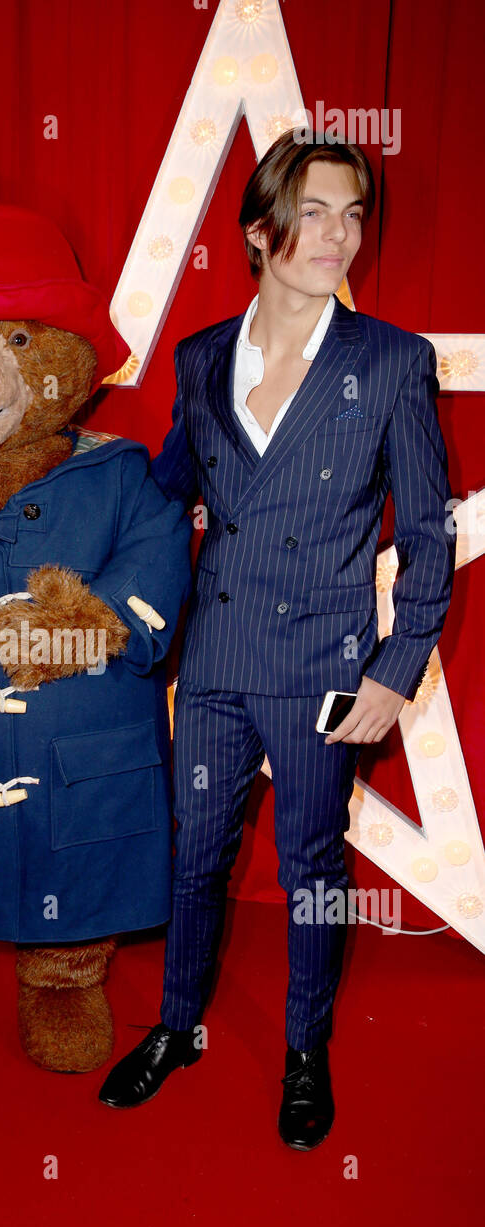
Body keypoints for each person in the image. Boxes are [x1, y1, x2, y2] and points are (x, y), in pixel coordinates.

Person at [99, 131, 455, 1147]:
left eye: (351, 213)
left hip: (318, 669)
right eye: (312, 212)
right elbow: (165, 493)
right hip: (212, 655)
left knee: (308, 867)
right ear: (259, 232)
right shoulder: (200, 356)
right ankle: (175, 1026)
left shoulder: (388, 362)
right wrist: (68, 495)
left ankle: (304, 1051)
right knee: (192, 856)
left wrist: (393, 668)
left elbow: (425, 533)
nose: (336, 235)